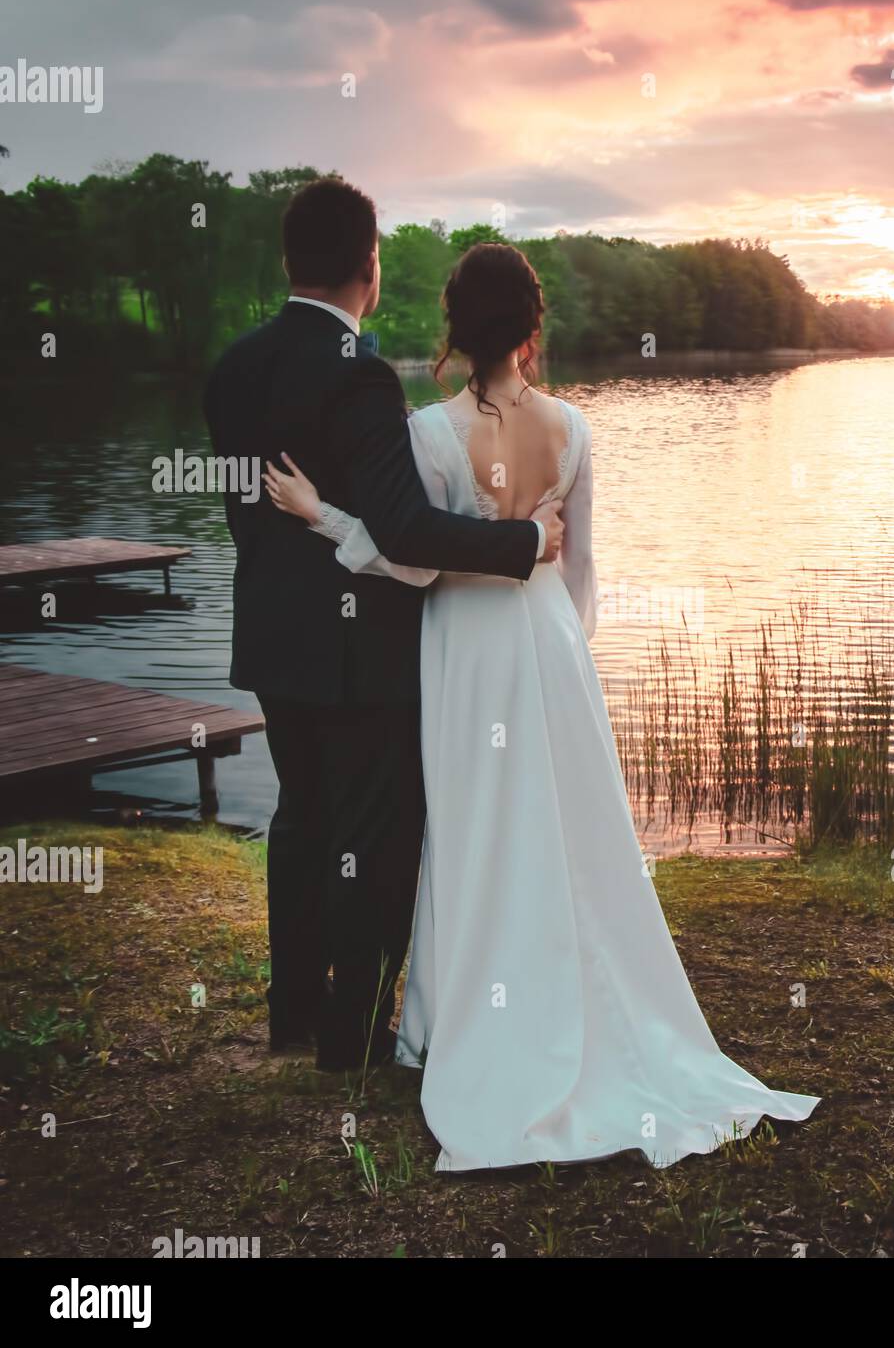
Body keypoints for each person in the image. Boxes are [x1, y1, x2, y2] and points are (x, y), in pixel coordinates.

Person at [263, 240, 820, 1169]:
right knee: (568, 831)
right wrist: (563, 652)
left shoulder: (431, 430)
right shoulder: (575, 429)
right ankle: (588, 1010)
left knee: (476, 830)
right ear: (532, 326)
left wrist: (322, 515)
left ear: (454, 328)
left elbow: (413, 558)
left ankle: (462, 1017)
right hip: (551, 646)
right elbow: (586, 569)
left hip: (468, 651)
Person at [204, 179, 564, 1071]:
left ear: (290, 261)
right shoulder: (359, 376)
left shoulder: (233, 367)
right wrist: (523, 540)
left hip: (274, 640)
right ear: (368, 265)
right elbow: (405, 531)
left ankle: (291, 1019)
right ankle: (353, 1036)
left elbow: (246, 512)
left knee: (300, 821)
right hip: (361, 650)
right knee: (376, 837)